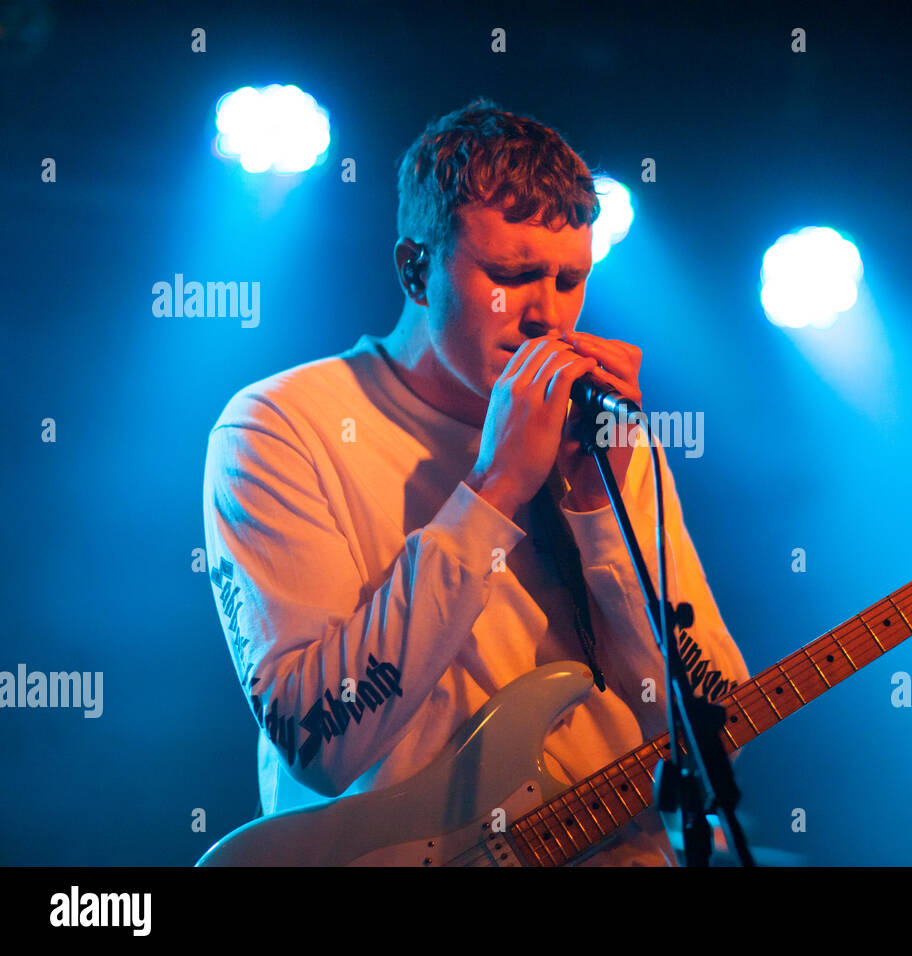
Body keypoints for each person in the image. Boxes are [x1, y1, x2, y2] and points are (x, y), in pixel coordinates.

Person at [201, 98, 749, 866]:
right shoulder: (279, 426)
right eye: (512, 276)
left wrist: (597, 507)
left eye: (569, 280)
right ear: (416, 269)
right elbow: (318, 743)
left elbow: (712, 723)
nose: (546, 316)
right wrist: (494, 487)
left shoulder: (610, 432)